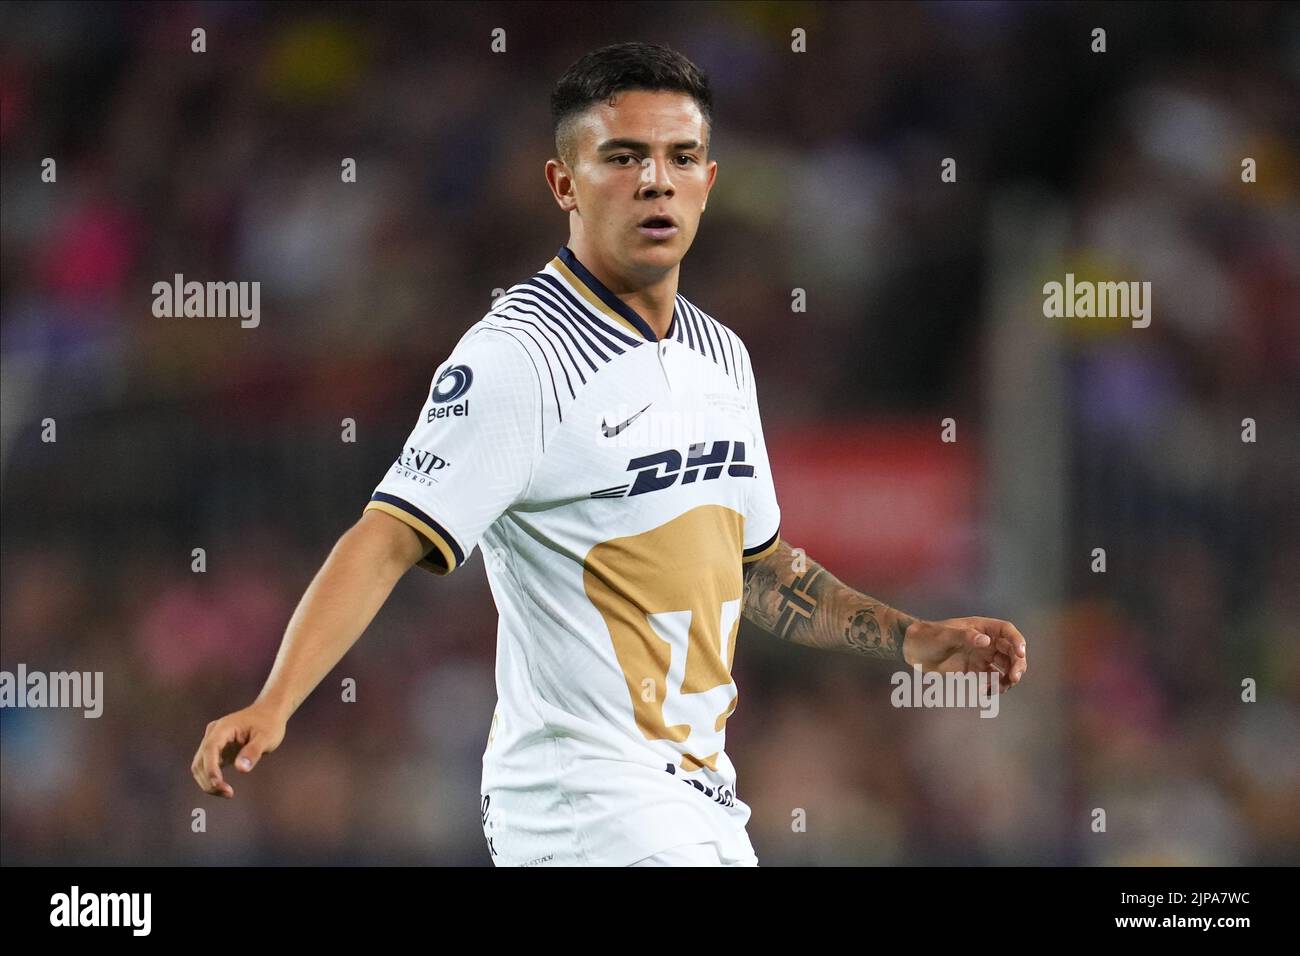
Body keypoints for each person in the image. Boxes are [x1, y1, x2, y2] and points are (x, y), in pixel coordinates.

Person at [191, 41, 1028, 867]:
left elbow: (762, 572)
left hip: (699, 802)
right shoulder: (518, 356)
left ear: (708, 181)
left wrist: (914, 639)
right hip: (583, 805)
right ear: (564, 183)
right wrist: (277, 700)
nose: (656, 180)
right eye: (623, 157)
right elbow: (385, 537)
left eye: (681, 156)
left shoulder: (723, 358)